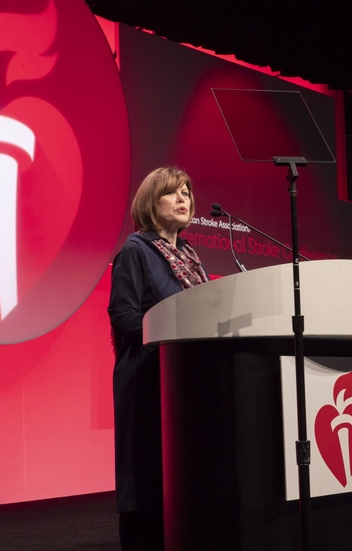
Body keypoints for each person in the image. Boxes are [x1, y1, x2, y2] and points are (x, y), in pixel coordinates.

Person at [107, 166, 209, 551]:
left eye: (187, 191)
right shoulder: (136, 251)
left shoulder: (189, 257)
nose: (184, 198)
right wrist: (171, 335)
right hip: (150, 381)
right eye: (173, 192)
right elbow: (125, 317)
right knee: (149, 485)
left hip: (186, 382)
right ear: (152, 201)